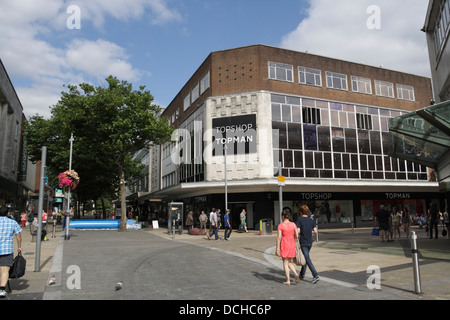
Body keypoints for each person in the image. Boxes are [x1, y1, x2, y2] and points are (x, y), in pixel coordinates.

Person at [0, 207, 22, 298]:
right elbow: (18, 236)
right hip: (6, 250)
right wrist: (19, 246)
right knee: (5, 270)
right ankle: (2, 290)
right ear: (7, 213)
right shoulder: (12, 222)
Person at [296, 204, 319, 284]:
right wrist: (309, 231)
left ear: (301, 212)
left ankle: (315, 275)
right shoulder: (311, 220)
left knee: (307, 259)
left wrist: (301, 232)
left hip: (303, 241)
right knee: (306, 258)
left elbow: (298, 231)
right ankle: (302, 274)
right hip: (310, 241)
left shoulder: (299, 220)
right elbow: (315, 231)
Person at [275, 211, 300, 285]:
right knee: (289, 261)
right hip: (291, 244)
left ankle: (288, 280)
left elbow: (279, 237)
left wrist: (277, 249)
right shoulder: (293, 224)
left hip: (285, 244)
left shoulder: (281, 225)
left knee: (285, 263)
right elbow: (297, 235)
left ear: (282, 216)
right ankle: (296, 274)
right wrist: (292, 236)